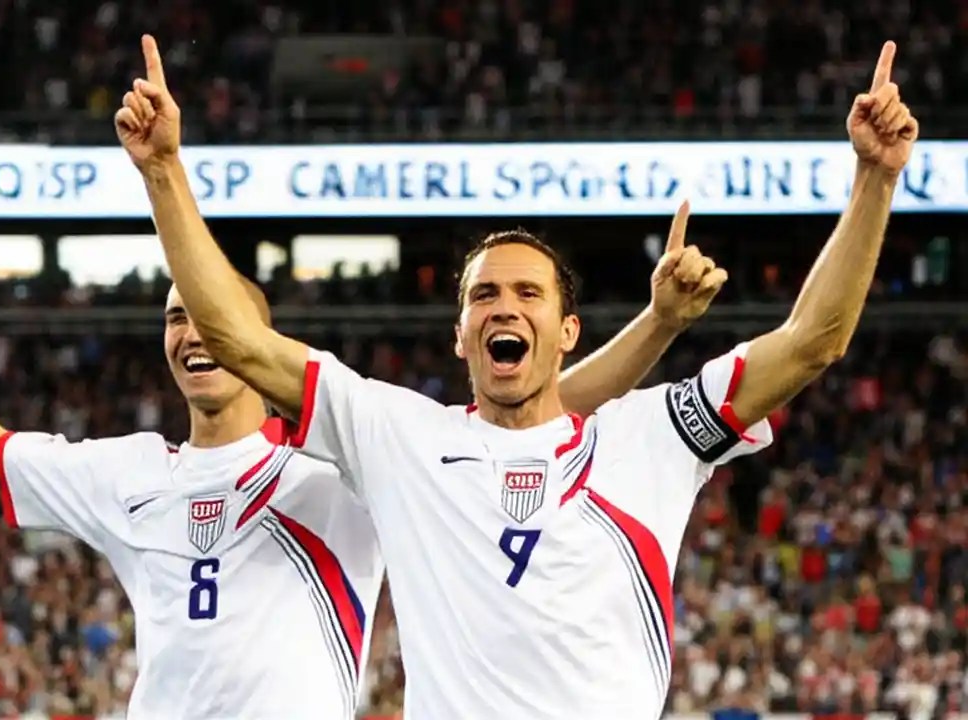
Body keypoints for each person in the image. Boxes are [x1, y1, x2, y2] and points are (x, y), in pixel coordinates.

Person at [118, 33, 917, 720]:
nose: (506, 307)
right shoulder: (401, 438)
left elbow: (815, 340)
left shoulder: (653, 434)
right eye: (484, 295)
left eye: (528, 292)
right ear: (460, 334)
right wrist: (163, 173)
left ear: (567, 331)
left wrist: (875, 180)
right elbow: (235, 338)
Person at [0, 250, 703, 719]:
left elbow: (535, 421)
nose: (192, 331)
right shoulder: (129, 474)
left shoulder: (338, 477)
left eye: (208, 314)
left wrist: (655, 329)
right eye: (174, 317)